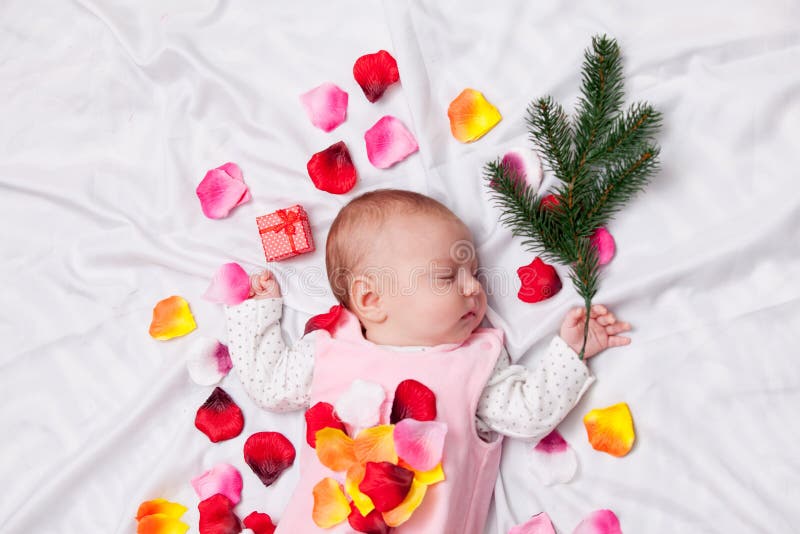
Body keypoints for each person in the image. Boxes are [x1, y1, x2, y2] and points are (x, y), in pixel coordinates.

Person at [224, 188, 632, 533]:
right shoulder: (329, 348)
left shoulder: (472, 365)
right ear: (371, 299)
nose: (473, 288)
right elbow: (270, 385)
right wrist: (258, 312)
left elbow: (528, 414)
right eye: (447, 276)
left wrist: (572, 352)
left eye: (474, 273)